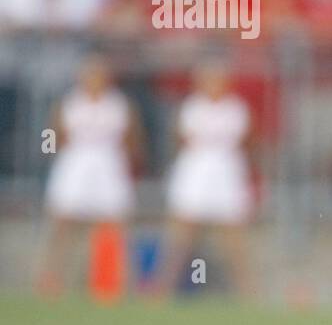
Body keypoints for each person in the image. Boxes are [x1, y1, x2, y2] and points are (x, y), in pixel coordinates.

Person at [38, 55, 140, 298]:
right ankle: (50, 280)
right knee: (62, 224)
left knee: (115, 225)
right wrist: (58, 154)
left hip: (107, 164)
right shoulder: (69, 103)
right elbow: (51, 136)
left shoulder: (119, 105)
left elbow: (133, 140)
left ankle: (117, 284)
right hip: (76, 162)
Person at [156, 62, 256, 298]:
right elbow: (181, 139)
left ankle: (248, 292)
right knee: (181, 236)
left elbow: (248, 141)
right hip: (196, 173)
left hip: (225, 174)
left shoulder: (236, 109)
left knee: (234, 239)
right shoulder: (192, 108)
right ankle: (161, 290)